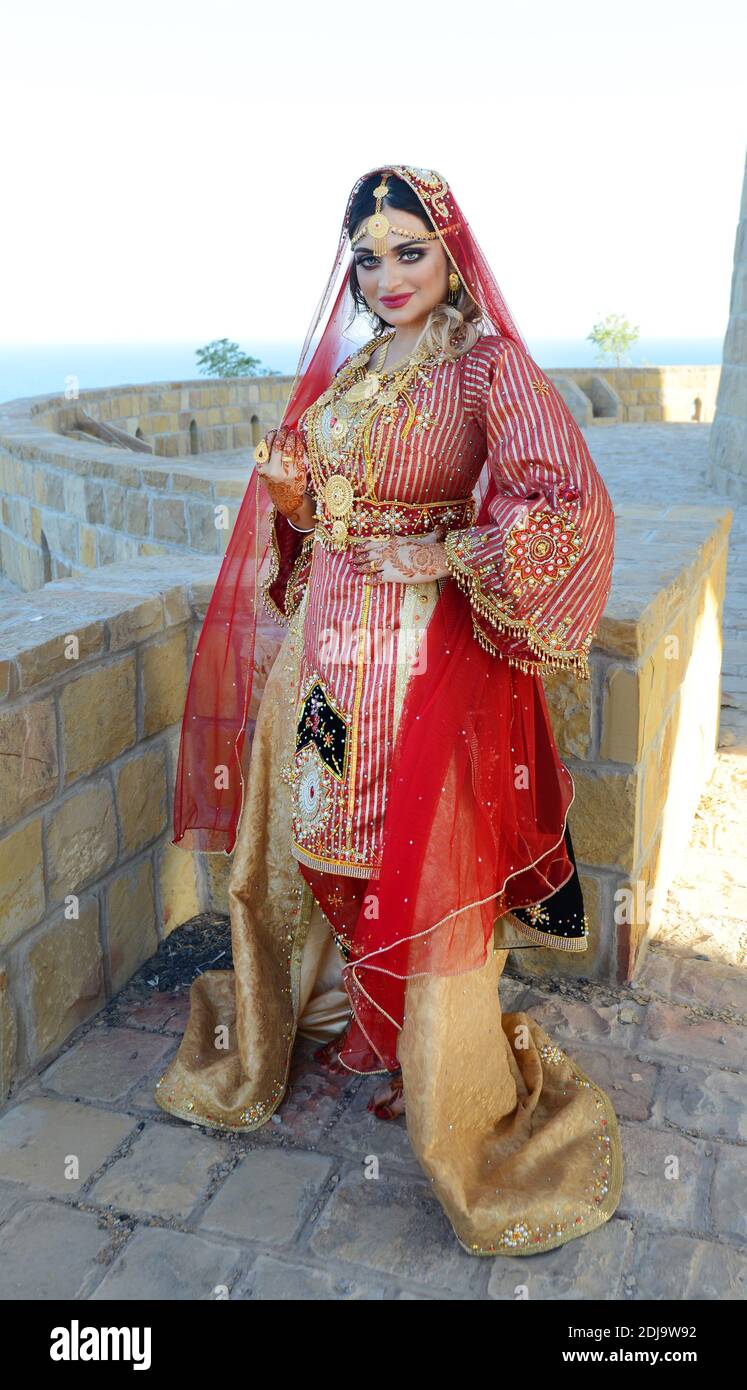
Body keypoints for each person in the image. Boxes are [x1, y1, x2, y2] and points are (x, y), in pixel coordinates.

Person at [155, 165, 623, 1257]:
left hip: (420, 660)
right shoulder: (365, 366)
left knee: (414, 855)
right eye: (369, 256)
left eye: (410, 249)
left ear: (450, 252)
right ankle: (328, 1013)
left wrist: (450, 547)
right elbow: (329, 514)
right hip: (324, 655)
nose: (388, 273)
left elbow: (570, 505)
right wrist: (291, 504)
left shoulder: (486, 366)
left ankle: (440, 1074)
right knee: (313, 842)